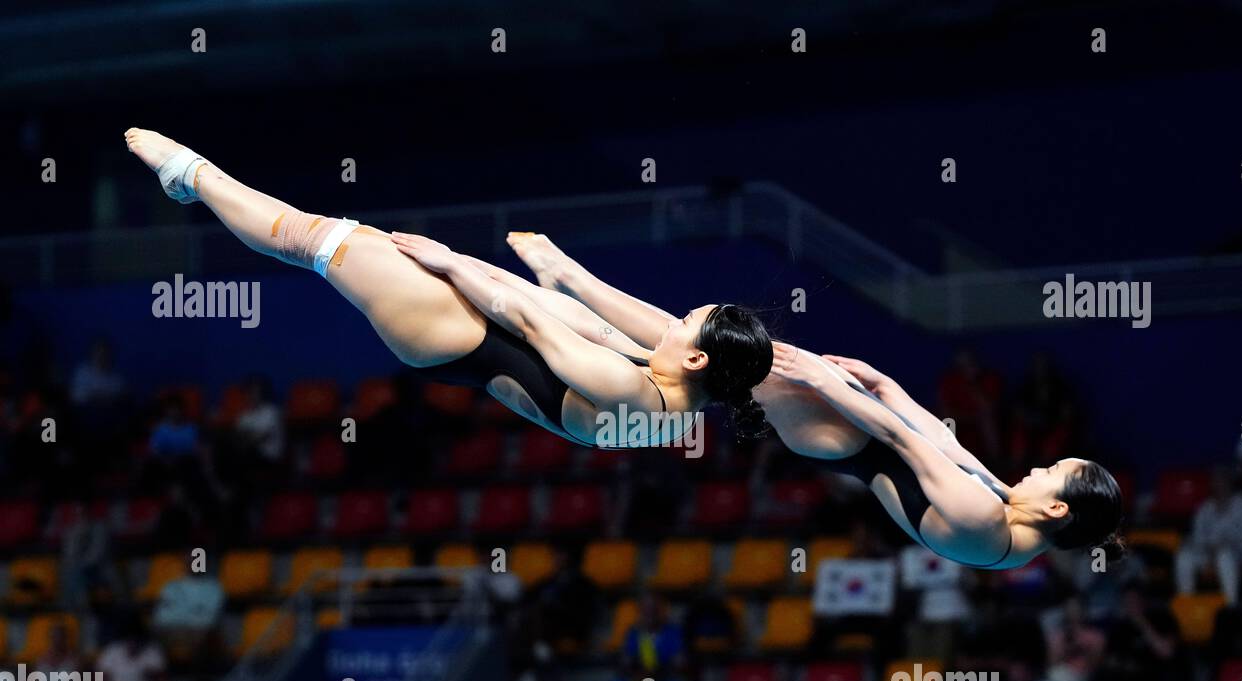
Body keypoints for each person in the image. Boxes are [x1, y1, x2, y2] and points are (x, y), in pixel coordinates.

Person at [506, 232, 1125, 570]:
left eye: (1051, 474)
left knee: (707, 346)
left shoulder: (984, 523)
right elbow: (950, 446)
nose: (1038, 469)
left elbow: (910, 443)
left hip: (845, 437)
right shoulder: (1009, 516)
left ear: (1057, 513)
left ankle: (571, 286)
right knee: (703, 349)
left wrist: (835, 388)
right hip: (858, 427)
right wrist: (889, 386)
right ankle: (574, 287)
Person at [126, 129, 773, 449]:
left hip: (454, 332)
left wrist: (455, 261)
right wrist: (565, 271)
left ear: (697, 358)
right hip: (466, 346)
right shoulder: (680, 405)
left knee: (310, 240)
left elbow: (525, 312)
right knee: (335, 239)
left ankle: (189, 176)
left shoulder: (629, 387)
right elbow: (620, 327)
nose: (675, 318)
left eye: (690, 319)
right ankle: (192, 183)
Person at [1174, 467, 1242, 604]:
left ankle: (1230, 605)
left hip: (1240, 554)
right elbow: (1197, 536)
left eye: (1222, 480)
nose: (1218, 484)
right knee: (1184, 557)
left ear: (1229, 482)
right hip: (1208, 553)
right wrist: (1211, 548)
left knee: (1225, 556)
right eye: (1215, 481)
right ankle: (1186, 603)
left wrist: (1228, 543)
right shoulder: (1205, 507)